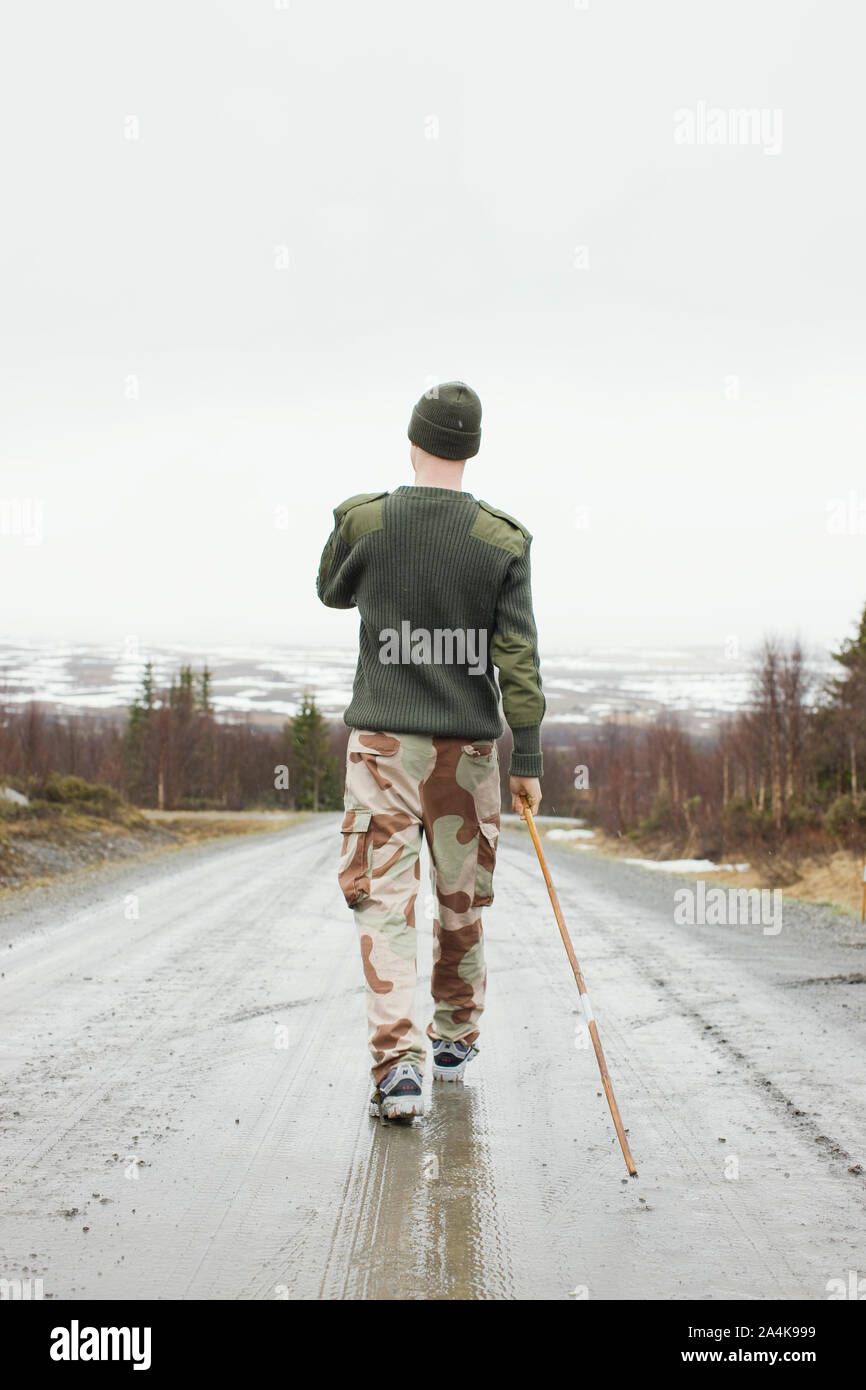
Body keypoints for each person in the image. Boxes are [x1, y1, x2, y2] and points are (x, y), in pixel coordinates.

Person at [316, 381, 544, 1121]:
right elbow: (518, 659)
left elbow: (330, 591)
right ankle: (452, 1039)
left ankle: (397, 1070)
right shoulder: (502, 542)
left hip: (381, 750)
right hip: (469, 757)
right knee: (460, 901)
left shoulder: (366, 523)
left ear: (412, 443)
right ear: (471, 451)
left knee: (383, 903)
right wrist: (530, 759)